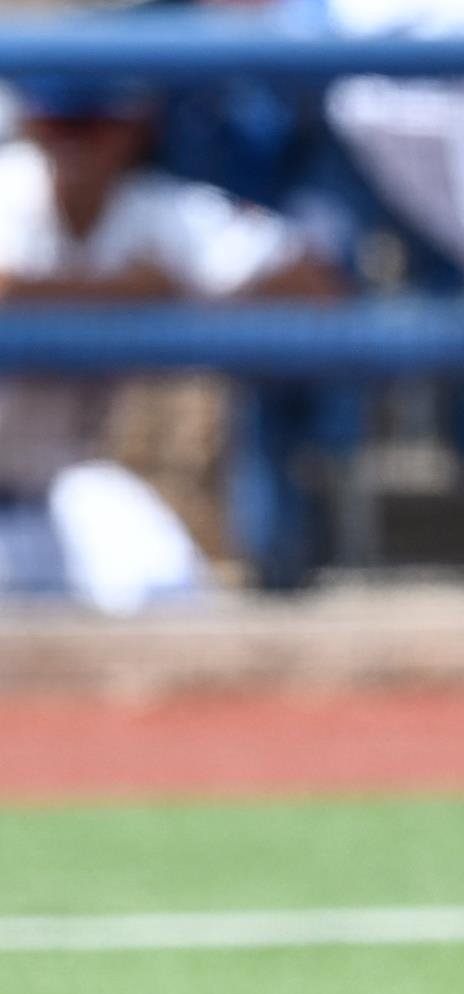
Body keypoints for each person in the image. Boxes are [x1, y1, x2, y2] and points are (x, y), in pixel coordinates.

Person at [0, 76, 339, 614]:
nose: (73, 142)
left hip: (56, 492)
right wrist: (131, 292)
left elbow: (312, 284)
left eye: (91, 126)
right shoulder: (11, 187)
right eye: (58, 123)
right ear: (32, 125)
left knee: (175, 596)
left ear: (132, 128)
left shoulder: (155, 211)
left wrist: (175, 291)